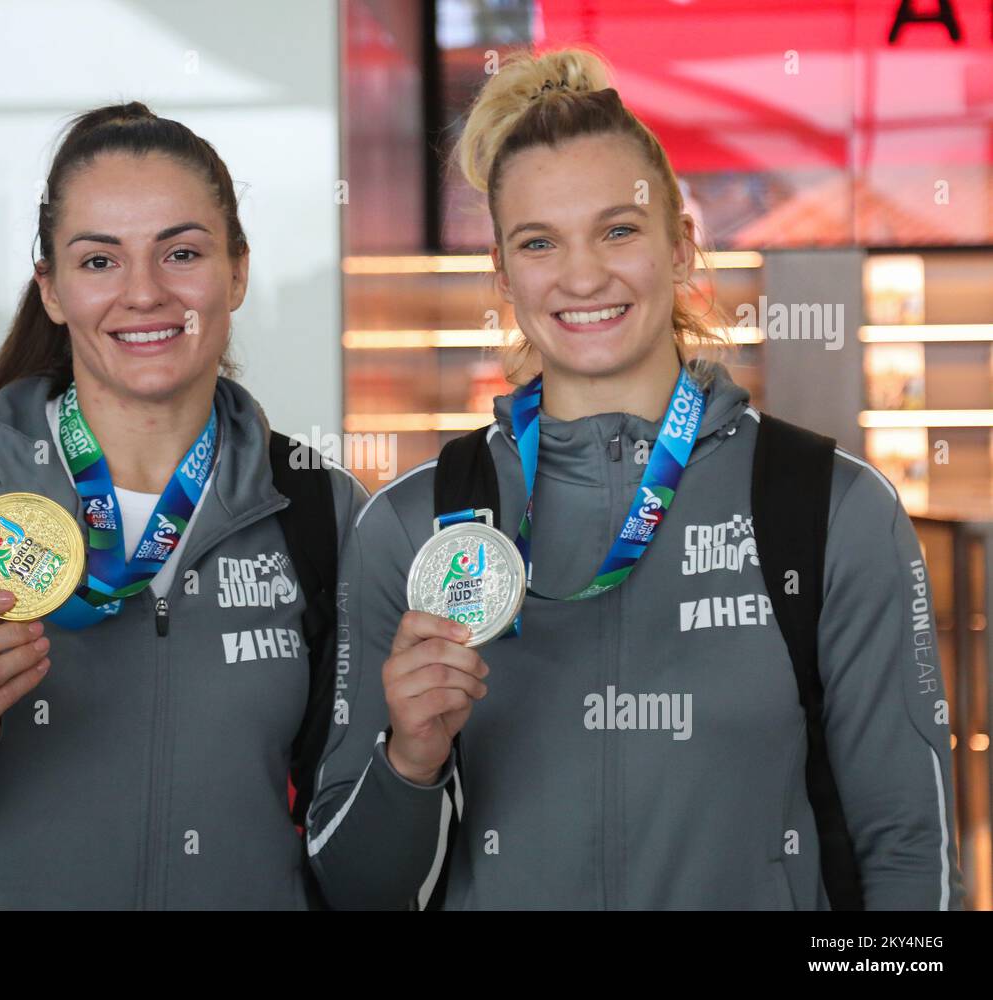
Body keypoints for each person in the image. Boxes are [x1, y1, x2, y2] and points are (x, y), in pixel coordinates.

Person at [305, 48, 964, 910]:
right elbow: (354, 890)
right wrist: (410, 761)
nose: (582, 277)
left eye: (618, 230)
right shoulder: (414, 525)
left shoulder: (829, 508)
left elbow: (911, 856)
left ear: (683, 247)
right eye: (539, 243)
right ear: (503, 276)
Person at [0, 103, 365, 909]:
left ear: (236, 272)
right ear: (51, 290)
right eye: (99, 262)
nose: (144, 293)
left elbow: (367, 867)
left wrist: (413, 762)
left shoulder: (320, 512)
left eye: (182, 252)